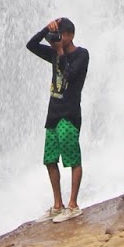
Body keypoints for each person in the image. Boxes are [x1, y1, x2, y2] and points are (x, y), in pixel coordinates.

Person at [26, 17, 89, 222]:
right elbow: (31, 45)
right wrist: (47, 29)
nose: (56, 40)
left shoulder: (81, 54)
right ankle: (57, 205)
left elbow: (69, 75)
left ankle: (73, 205)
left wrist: (61, 51)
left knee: (72, 158)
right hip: (53, 112)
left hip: (69, 113)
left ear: (70, 35)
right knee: (50, 159)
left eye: (60, 36)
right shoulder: (53, 52)